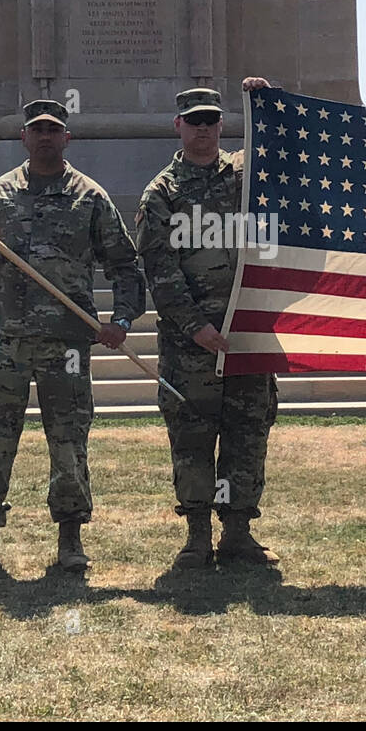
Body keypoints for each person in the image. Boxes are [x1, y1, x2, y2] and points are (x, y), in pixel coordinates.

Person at [0, 99, 145, 576]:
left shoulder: (89, 197)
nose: (45, 138)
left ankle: (70, 540)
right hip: (4, 341)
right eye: (36, 130)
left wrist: (121, 318)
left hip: (67, 346)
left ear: (66, 139)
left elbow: (124, 263)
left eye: (53, 131)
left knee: (68, 443)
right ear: (24, 137)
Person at [136, 83, 280, 569]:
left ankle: (237, 533)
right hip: (190, 345)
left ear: (222, 124)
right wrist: (195, 325)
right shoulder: (161, 194)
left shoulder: (247, 176)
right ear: (178, 125)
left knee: (247, 432)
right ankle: (197, 535)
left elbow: (284, 152)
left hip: (245, 336)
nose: (203, 128)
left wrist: (269, 99)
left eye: (211, 120)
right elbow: (160, 270)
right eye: (193, 120)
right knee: (193, 437)